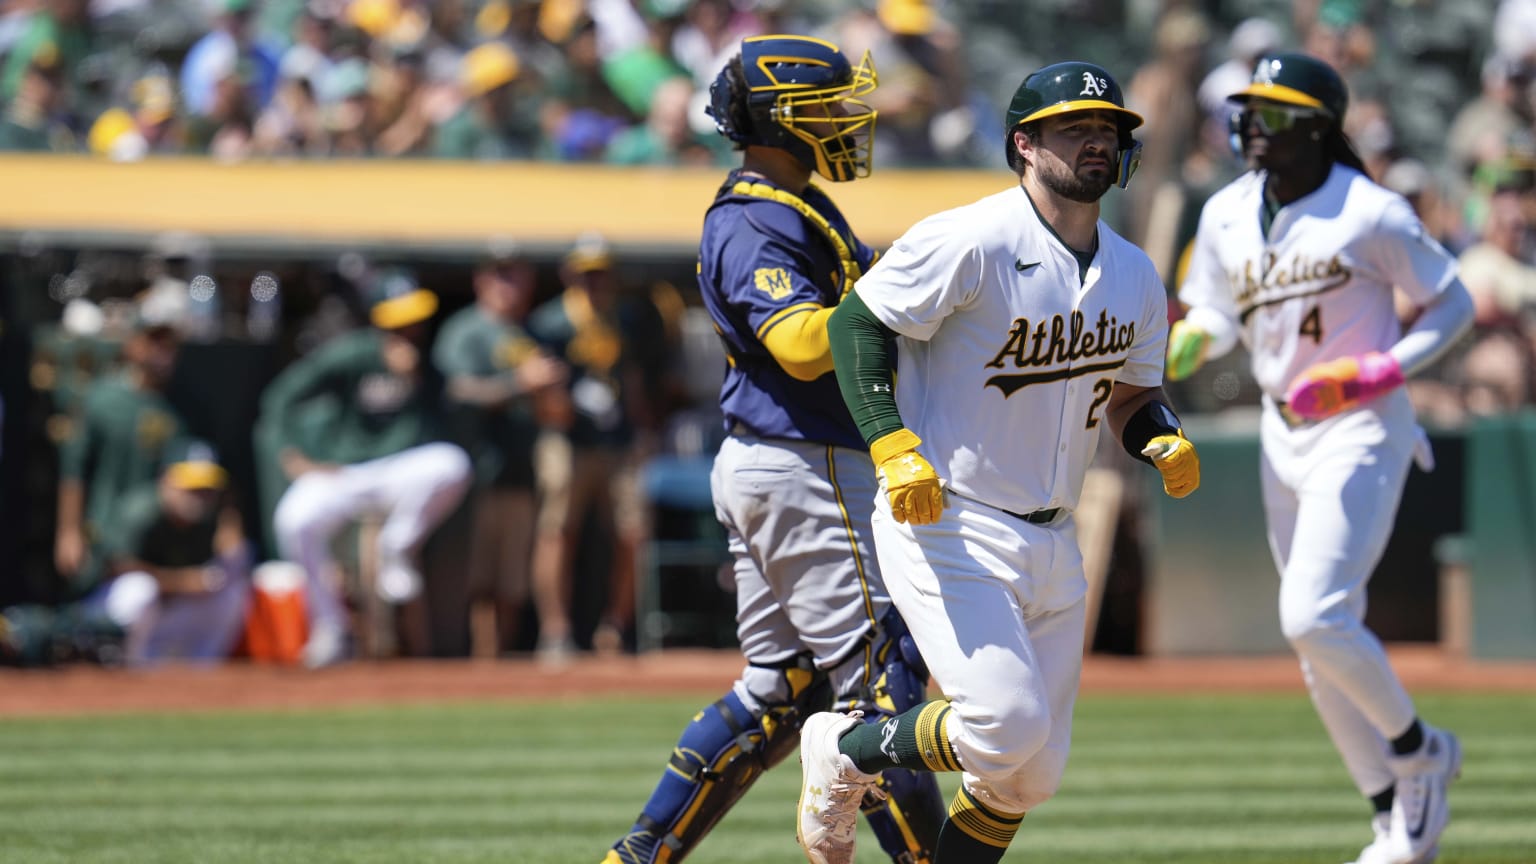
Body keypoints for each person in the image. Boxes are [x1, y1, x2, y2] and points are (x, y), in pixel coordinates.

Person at [802, 61, 1201, 864]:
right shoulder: (973, 237)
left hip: (1054, 539)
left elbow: (1130, 397)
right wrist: (888, 440)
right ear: (1024, 143)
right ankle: (847, 747)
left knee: (1029, 778)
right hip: (947, 516)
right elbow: (856, 325)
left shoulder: (1132, 271)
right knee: (1005, 724)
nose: (1097, 142)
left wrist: (1158, 434)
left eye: (1108, 130)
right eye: (1074, 128)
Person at [600, 34, 946, 864]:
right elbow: (796, 342)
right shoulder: (756, 216)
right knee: (881, 689)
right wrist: (896, 295)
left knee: (781, 693)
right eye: (826, 109)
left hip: (783, 459)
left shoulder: (796, 202)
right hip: (808, 462)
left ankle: (638, 856)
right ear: (774, 121)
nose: (848, 121)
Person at [1165, 52, 1474, 864]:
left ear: (1317, 125)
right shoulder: (1227, 210)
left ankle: (1418, 751)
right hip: (1280, 429)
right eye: (1249, 110)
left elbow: (1454, 297)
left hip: (1362, 424)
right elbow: (1215, 307)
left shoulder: (1370, 211)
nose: (1252, 124)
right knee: (1315, 646)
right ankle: (1391, 817)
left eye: (1272, 111)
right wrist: (1198, 333)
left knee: (1312, 615)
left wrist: (1384, 368)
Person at [262, 268, 472, 668]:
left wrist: (415, 379)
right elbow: (282, 396)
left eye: (415, 318)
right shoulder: (354, 352)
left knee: (452, 463)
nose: (410, 328)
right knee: (293, 520)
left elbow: (448, 409)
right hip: (346, 473)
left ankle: (397, 544)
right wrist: (294, 456)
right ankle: (331, 626)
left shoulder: (428, 362)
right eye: (401, 319)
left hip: (398, 472)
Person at [526, 233, 664, 659]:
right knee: (557, 531)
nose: (594, 283)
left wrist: (643, 430)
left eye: (601, 274)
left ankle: (615, 628)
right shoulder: (551, 321)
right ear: (569, 275)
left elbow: (636, 377)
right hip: (567, 438)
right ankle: (555, 630)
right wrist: (556, 408)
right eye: (586, 274)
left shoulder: (626, 317)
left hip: (618, 439)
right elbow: (539, 382)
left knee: (633, 532)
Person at [5, 438, 250, 667]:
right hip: (106, 607)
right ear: (165, 481)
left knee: (232, 590)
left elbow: (230, 560)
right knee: (140, 589)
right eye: (192, 488)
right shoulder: (139, 513)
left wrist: (231, 528)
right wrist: (182, 583)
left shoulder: (211, 519)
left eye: (208, 489)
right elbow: (117, 568)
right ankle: (128, 664)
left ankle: (202, 666)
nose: (200, 497)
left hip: (165, 608)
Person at [432, 249, 569, 657]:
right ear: (481, 280)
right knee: (479, 580)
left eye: (517, 275)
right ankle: (481, 665)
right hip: (477, 471)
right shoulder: (466, 330)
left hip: (521, 469)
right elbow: (457, 391)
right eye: (500, 275)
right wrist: (519, 384)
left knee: (512, 582)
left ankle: (505, 672)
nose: (509, 285)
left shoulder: (532, 333)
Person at [55, 307, 185, 596]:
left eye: (168, 345)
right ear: (132, 345)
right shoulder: (101, 399)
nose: (161, 353)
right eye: (153, 342)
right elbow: (74, 470)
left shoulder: (179, 410)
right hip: (104, 536)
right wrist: (69, 532)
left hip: (154, 543)